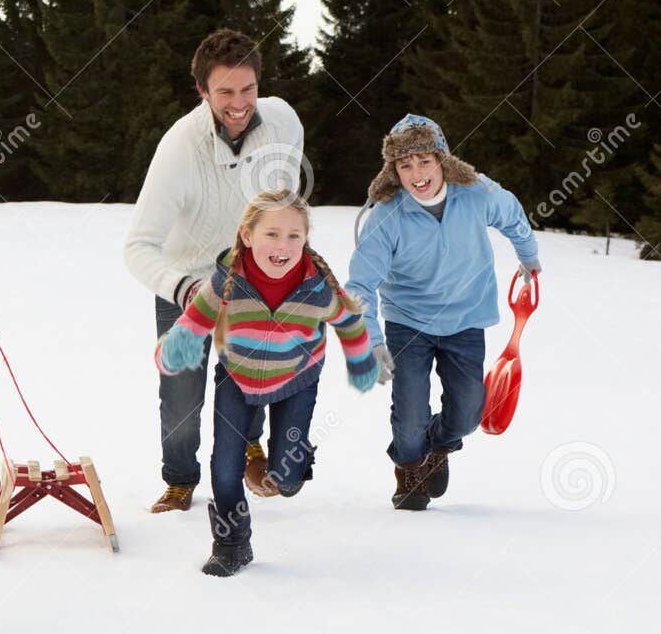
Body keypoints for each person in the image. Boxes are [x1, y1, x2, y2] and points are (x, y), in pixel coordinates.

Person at [124, 28, 304, 514]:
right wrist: (184, 289)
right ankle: (181, 481)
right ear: (203, 91)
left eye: (248, 89)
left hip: (249, 280)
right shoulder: (179, 149)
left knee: (252, 376)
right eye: (224, 91)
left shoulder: (283, 122)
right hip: (186, 283)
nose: (239, 103)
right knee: (182, 400)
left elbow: (285, 199)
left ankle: (248, 445)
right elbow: (137, 246)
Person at [156, 190, 378, 576]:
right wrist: (177, 345)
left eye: (294, 236)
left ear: (305, 240)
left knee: (285, 478)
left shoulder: (316, 287)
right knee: (224, 467)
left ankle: (293, 462)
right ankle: (232, 544)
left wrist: (361, 361)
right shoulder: (228, 282)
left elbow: (350, 319)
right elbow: (196, 319)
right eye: (272, 234)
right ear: (247, 235)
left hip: (297, 377)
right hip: (237, 376)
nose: (283, 245)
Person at [347, 114, 540, 511]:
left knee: (470, 411)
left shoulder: (476, 193)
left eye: (424, 161)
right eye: (405, 165)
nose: (417, 173)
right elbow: (359, 288)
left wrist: (529, 258)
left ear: (443, 160)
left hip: (466, 319)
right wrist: (374, 343)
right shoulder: (386, 217)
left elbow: (513, 215)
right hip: (408, 322)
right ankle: (411, 467)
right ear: (393, 170)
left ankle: (439, 445)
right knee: (410, 412)